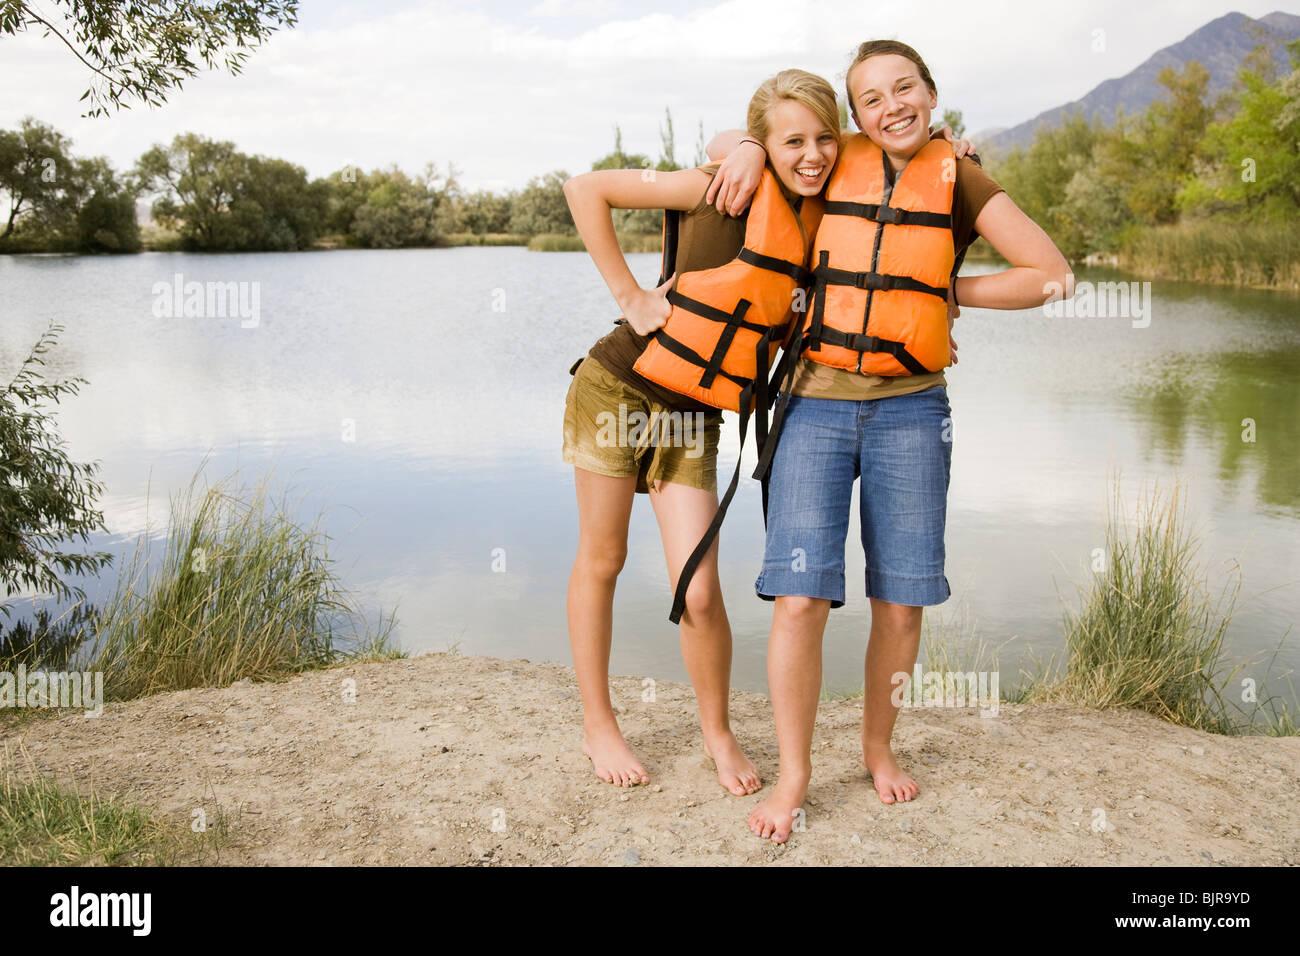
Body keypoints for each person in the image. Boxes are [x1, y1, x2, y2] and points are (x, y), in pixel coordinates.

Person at [706, 39, 1074, 842]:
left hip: (914, 411)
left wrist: (945, 292)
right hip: (814, 405)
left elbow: (1051, 274)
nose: (890, 106)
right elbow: (741, 141)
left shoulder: (959, 174)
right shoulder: (830, 159)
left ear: (932, 94)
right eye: (870, 98)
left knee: (901, 603)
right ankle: (797, 774)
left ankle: (878, 749)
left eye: (903, 88)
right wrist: (736, 143)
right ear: (856, 115)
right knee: (800, 598)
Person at [561, 69, 839, 795]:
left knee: (701, 591)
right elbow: (584, 189)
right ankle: (599, 723)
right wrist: (628, 293)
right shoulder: (717, 183)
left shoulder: (819, 227)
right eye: (790, 141)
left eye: (822, 139)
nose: (810, 155)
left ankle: (717, 732)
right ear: (762, 142)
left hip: (690, 416)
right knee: (604, 558)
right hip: (617, 385)